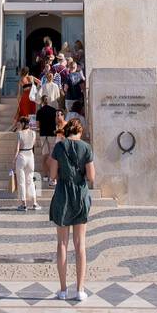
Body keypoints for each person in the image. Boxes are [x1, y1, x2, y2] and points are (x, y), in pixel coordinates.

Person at [47, 117, 95, 302]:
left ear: (67, 131)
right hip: (81, 195)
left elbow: (52, 174)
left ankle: (63, 289)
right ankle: (80, 290)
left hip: (62, 195)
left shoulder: (59, 147)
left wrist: (60, 174)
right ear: (80, 132)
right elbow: (91, 176)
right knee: (80, 244)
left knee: (62, 244)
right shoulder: (86, 148)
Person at [13, 116, 39, 211]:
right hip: (30, 156)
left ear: (23, 124)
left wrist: (14, 160)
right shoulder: (33, 133)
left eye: (20, 123)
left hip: (22, 156)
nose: (18, 125)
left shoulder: (19, 133)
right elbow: (34, 144)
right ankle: (34, 203)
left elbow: (17, 148)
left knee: (21, 181)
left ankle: (23, 204)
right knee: (30, 181)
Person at [36, 95, 58, 184]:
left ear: (42, 101)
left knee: (44, 155)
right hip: (52, 134)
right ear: (49, 101)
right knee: (53, 156)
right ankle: (53, 176)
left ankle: (45, 175)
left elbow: (37, 125)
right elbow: (56, 122)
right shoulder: (53, 111)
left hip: (43, 135)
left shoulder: (39, 111)